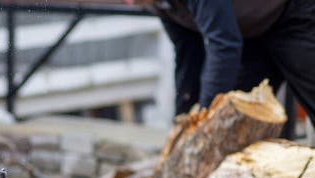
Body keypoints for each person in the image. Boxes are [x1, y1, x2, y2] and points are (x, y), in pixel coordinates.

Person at [128, 0, 315, 121]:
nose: (130, 3)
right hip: (247, 33)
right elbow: (187, 53)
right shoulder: (155, 3)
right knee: (238, 120)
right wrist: (184, 117)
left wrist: (207, 112)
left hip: (292, 14)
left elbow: (223, 45)